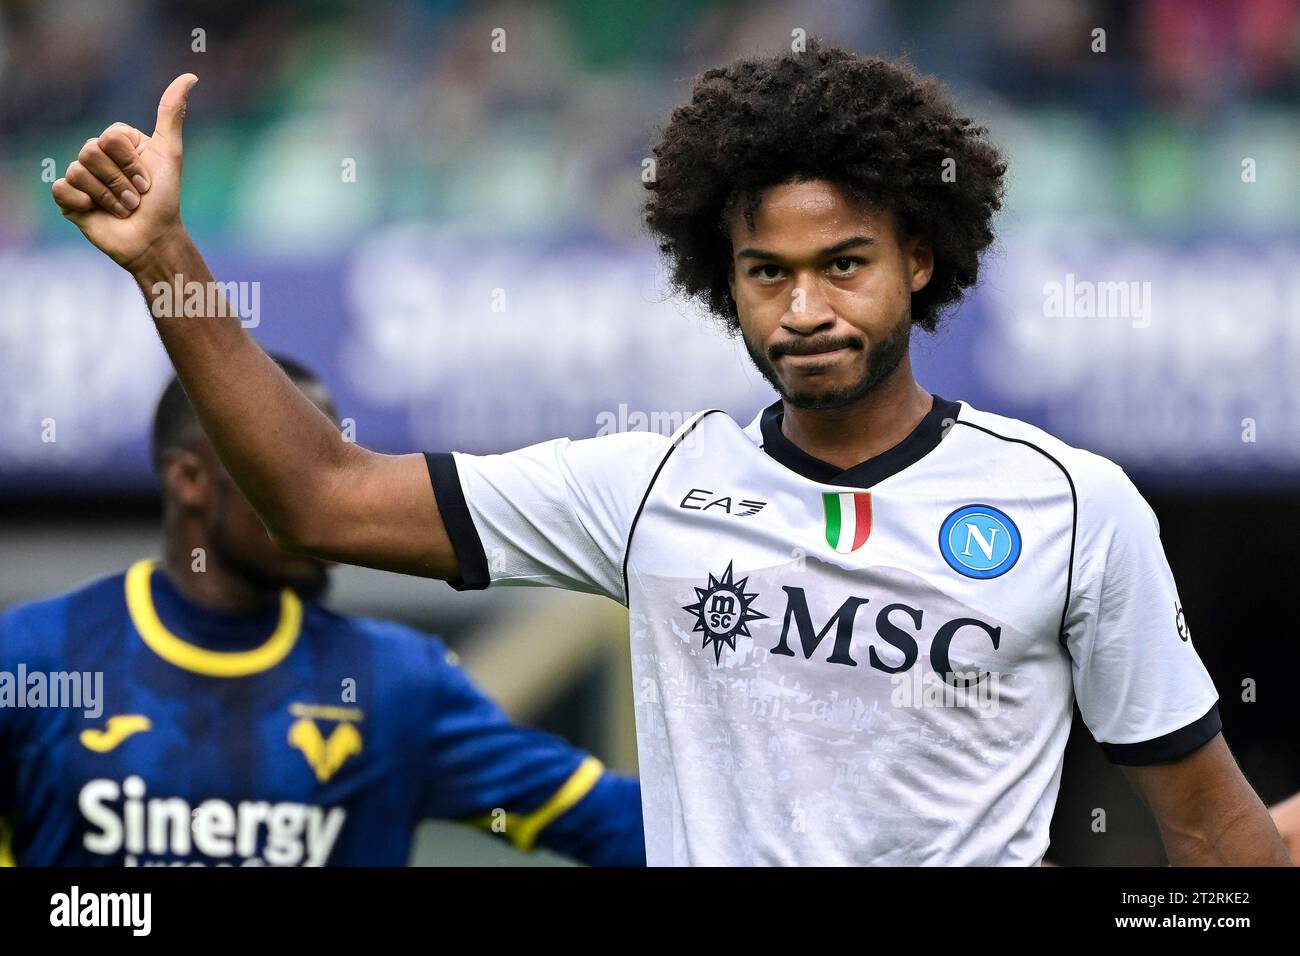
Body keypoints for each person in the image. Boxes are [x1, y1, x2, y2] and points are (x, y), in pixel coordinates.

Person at [49, 41, 1291, 866]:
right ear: (724, 282)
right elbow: (324, 496)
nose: (803, 308)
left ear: (920, 258)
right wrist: (169, 262)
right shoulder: (649, 489)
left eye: (842, 264)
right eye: (767, 273)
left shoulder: (1076, 507)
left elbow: (1215, 847)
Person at [0, 360, 644, 866]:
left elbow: (611, 824)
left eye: (330, 467)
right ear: (189, 479)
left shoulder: (397, 683)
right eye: (280, 472)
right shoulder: (32, 657)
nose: (317, 496)